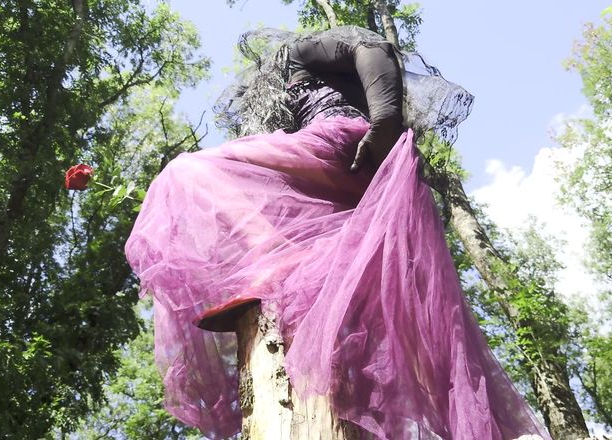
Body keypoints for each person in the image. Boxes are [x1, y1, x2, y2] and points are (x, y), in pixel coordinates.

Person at [125, 26, 550, 440]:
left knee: (185, 172)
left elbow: (372, 46)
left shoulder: (300, 51)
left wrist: (385, 121)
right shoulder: (285, 119)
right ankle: (289, 277)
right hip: (350, 186)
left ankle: (273, 256)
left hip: (344, 146)